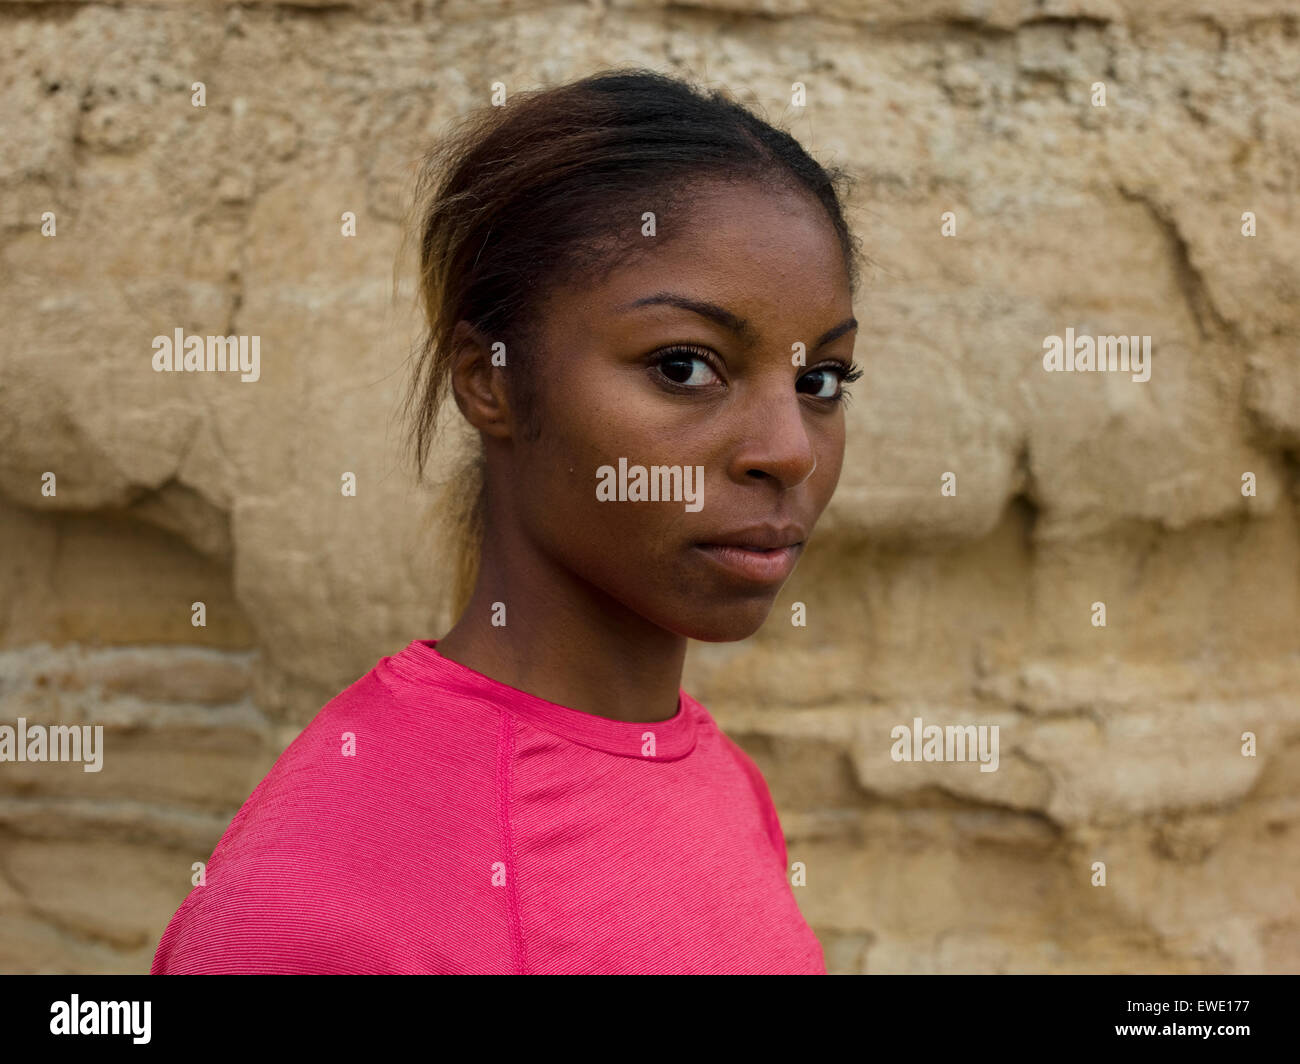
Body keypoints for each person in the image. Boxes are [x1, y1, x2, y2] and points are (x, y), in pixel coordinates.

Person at [152, 67, 863, 974]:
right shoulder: (318, 912)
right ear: (488, 378)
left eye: (821, 381)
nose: (789, 449)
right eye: (685, 367)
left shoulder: (718, 778)